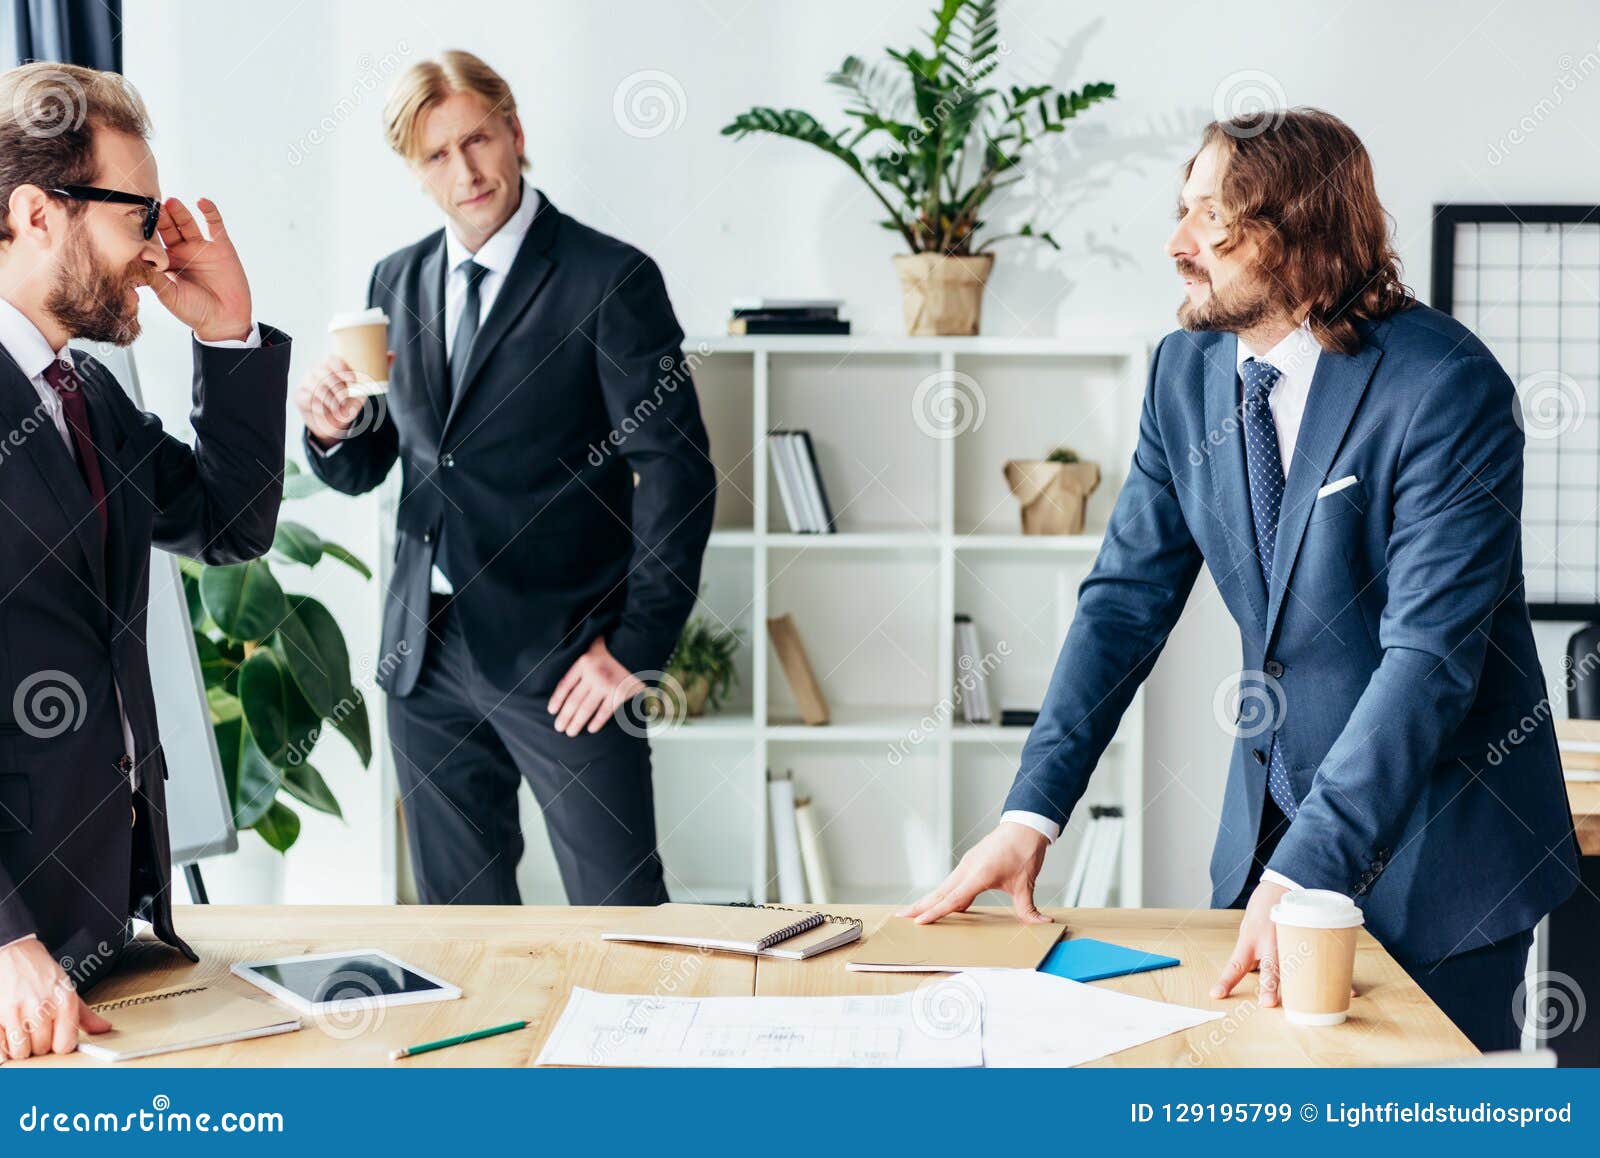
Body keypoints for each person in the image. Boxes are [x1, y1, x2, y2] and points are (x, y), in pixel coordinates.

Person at [904, 108, 1579, 1052]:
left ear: (1300, 230)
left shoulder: (1444, 385)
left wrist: (1308, 867)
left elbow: (1427, 660)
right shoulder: (1185, 374)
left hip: (1440, 857)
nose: (1179, 246)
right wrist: (1033, 810)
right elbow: (1124, 602)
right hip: (1266, 845)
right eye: (1183, 213)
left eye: (1211, 220)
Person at [296, 51, 714, 907]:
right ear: (415, 173)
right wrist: (331, 430)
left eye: (477, 140)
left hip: (565, 660)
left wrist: (636, 649)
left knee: (621, 909)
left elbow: (676, 472)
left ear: (514, 132)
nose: (467, 170)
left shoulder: (611, 279)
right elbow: (382, 460)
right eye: (437, 155)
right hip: (425, 654)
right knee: (461, 926)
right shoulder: (395, 280)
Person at [0, 62, 290, 1059]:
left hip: (109, 949)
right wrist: (6, 943)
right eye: (140, 211)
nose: (158, 246)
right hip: (17, 973)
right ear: (38, 214)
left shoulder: (89, 394)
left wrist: (230, 337)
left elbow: (229, 525)